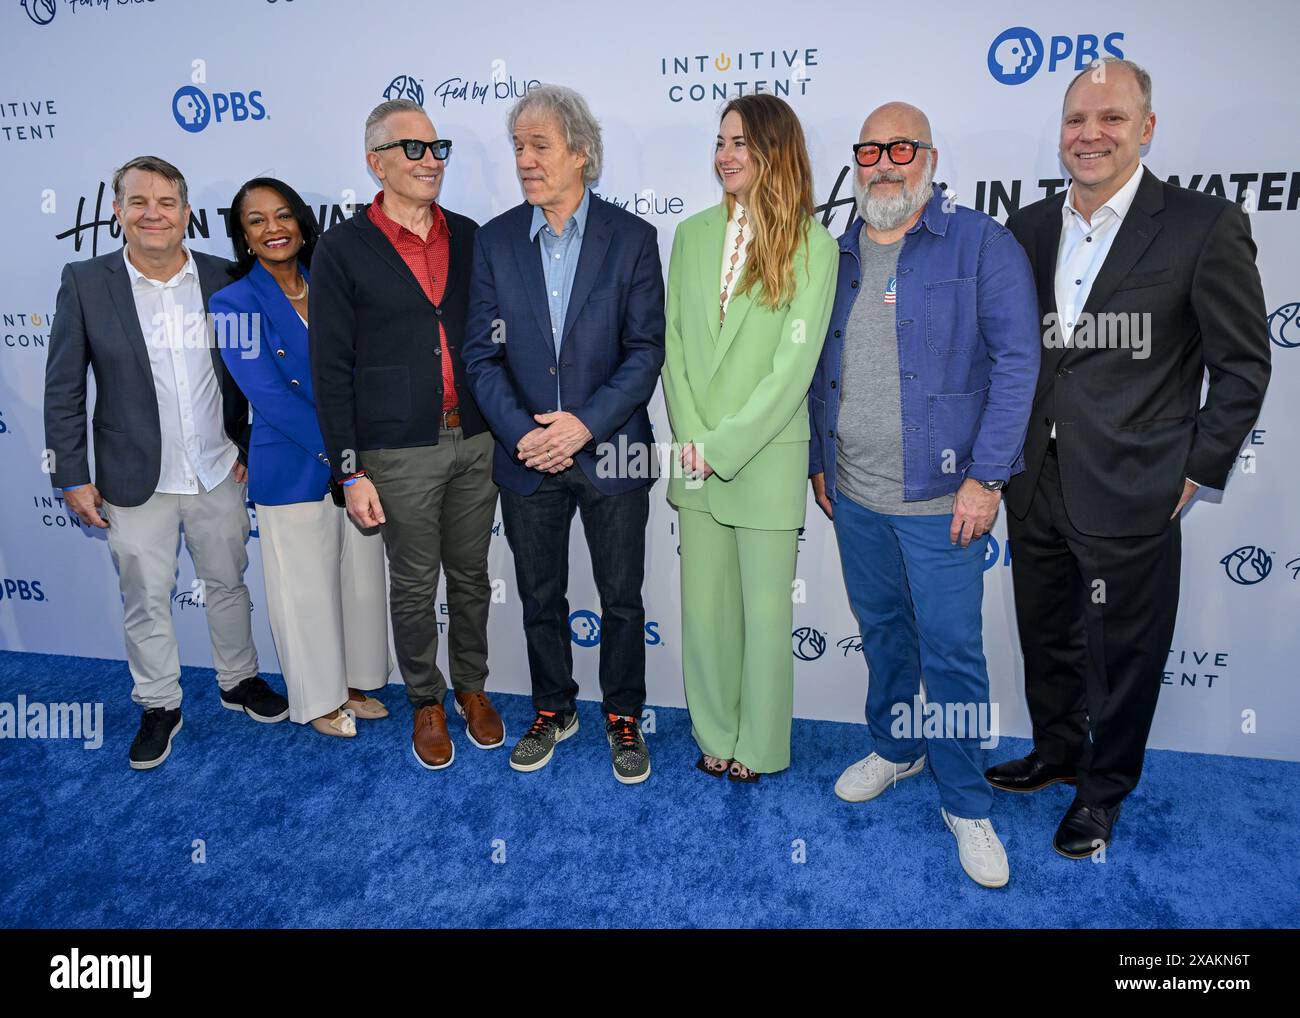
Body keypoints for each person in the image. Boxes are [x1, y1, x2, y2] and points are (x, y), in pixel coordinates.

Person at [988, 59, 1271, 857]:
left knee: (1123, 651)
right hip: (1033, 478)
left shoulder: (1200, 225)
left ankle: (1103, 792)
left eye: (1111, 119)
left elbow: (1245, 364)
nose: (1091, 135)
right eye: (1078, 119)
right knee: (1046, 635)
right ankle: (1055, 753)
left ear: (1147, 128)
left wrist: (1196, 466)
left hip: (1136, 483)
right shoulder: (1031, 226)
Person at [807, 103, 1040, 888]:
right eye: (869, 149)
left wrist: (987, 477)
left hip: (946, 500)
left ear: (931, 158)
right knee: (884, 634)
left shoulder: (981, 243)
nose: (883, 163)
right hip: (857, 495)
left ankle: (966, 801)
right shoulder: (833, 253)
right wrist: (818, 458)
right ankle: (896, 747)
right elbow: (813, 366)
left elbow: (1017, 365)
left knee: (953, 655)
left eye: (900, 148)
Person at [44, 155, 288, 770]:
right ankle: (159, 703)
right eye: (138, 201)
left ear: (185, 213)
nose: (153, 213)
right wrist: (71, 474)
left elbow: (255, 376)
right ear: (119, 212)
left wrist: (251, 445)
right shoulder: (85, 281)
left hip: (216, 467)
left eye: (166, 202)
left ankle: (238, 680)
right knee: (146, 596)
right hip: (134, 478)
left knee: (228, 584)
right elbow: (64, 387)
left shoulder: (225, 277)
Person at [463, 84, 665, 784]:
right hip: (525, 458)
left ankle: (623, 715)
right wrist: (525, 435)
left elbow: (645, 351)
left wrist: (581, 425)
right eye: (518, 146)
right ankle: (553, 707)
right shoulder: (494, 241)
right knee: (540, 595)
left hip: (610, 447)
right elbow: (481, 354)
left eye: (539, 146)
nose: (525, 160)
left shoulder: (633, 240)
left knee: (621, 598)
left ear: (582, 153)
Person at [310, 99, 503, 770]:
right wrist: (349, 470)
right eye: (414, 149)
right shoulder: (341, 248)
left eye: (437, 147)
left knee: (473, 576)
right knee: (415, 583)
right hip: (396, 450)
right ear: (376, 162)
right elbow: (330, 367)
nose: (432, 160)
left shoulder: (473, 236)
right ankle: (426, 697)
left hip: (477, 438)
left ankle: (473, 689)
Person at [661, 94, 836, 783]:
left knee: (765, 621)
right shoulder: (691, 235)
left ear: (776, 150)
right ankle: (714, 730)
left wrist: (723, 444)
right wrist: (694, 440)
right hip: (695, 456)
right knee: (705, 615)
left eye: (742, 142)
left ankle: (758, 746)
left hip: (763, 459)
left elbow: (792, 370)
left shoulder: (812, 244)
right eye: (721, 141)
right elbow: (674, 346)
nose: (727, 154)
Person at [210, 177, 392, 739]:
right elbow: (266, 395)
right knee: (304, 591)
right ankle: (315, 700)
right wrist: (342, 455)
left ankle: (355, 682)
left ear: (301, 222)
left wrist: (356, 456)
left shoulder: (330, 282)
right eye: (257, 221)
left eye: (283, 215)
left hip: (354, 462)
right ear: (243, 237)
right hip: (294, 463)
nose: (274, 229)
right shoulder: (231, 302)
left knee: (360, 581)